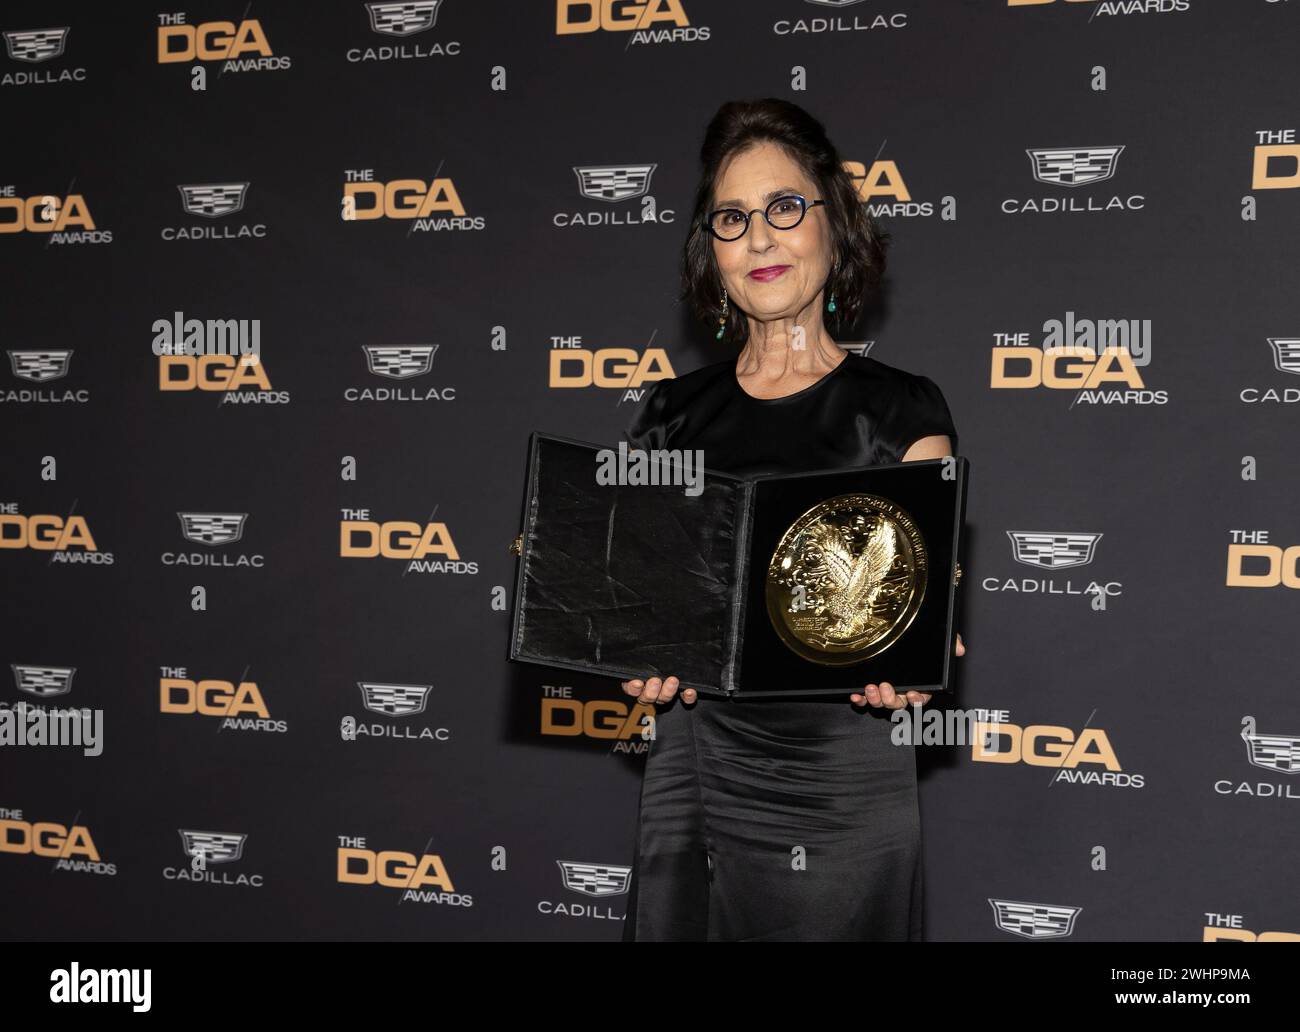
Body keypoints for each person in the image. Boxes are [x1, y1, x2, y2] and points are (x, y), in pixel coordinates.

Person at [618, 98, 966, 941]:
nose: (761, 239)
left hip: (838, 777)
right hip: (692, 764)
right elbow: (635, 596)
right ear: (713, 251)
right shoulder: (667, 413)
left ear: (834, 228)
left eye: (784, 208)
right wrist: (629, 656)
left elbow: (934, 614)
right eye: (732, 219)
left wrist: (920, 660)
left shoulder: (900, 409)